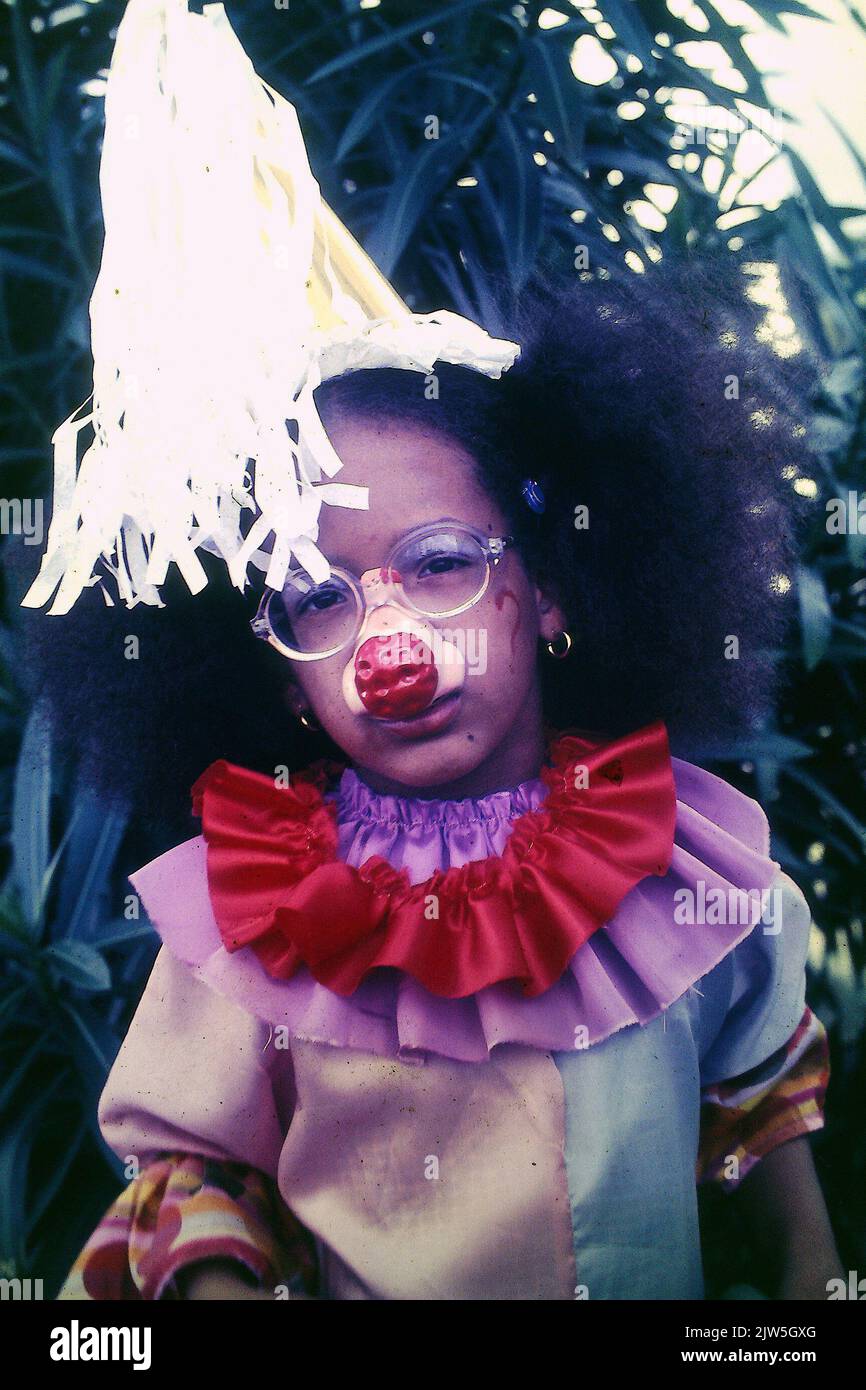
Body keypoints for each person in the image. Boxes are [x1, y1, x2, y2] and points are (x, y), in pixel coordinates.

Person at [23, 0, 840, 1302]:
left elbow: (770, 1164)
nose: (386, 644)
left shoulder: (695, 870)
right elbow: (195, 1182)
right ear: (267, 664)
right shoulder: (251, 922)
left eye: (442, 563)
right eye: (317, 599)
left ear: (555, 587)